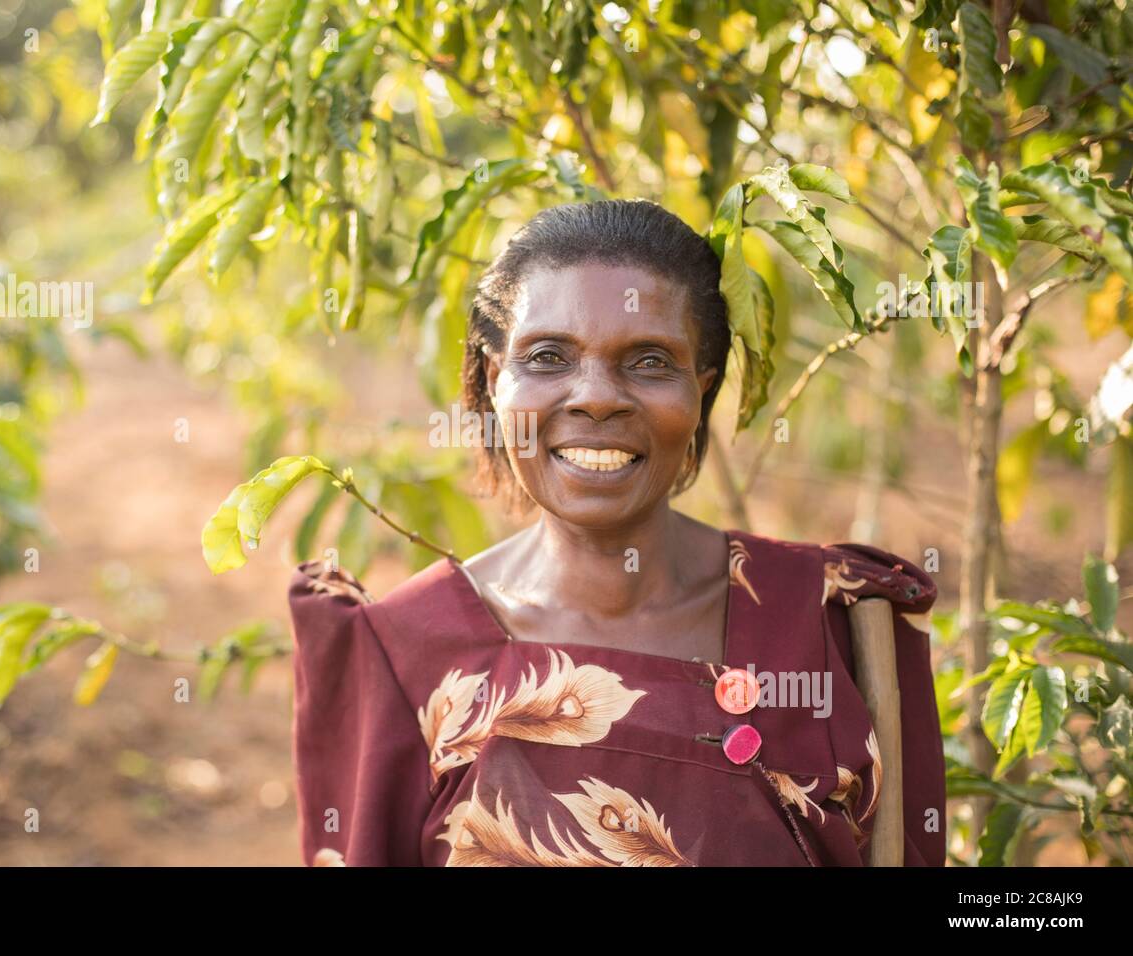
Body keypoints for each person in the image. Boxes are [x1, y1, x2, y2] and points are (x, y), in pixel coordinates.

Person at [287, 199, 945, 867]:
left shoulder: (830, 619)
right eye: (547, 356)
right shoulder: (405, 655)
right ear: (496, 382)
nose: (596, 397)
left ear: (701, 389)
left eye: (651, 361)